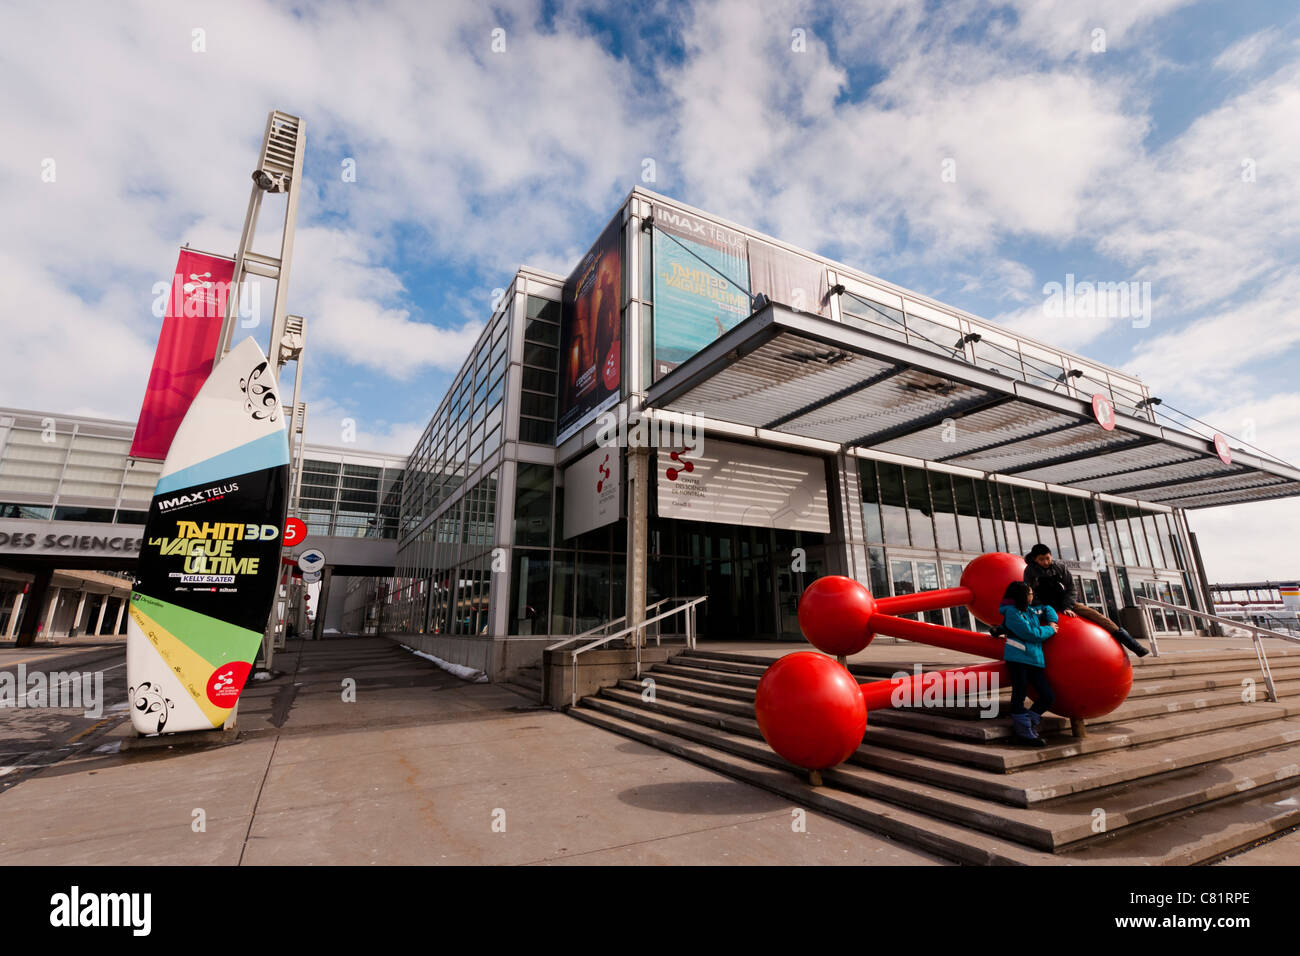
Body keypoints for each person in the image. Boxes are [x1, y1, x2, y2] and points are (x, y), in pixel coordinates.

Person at [1023, 544, 1149, 657]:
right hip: (1042, 605)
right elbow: (1030, 593)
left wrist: (1067, 606)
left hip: (1063, 601)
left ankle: (1135, 646)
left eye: (1047, 558)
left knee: (1099, 617)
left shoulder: (1059, 567)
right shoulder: (1029, 571)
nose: (1045, 562)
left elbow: (1071, 588)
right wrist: (1045, 609)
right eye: (1041, 559)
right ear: (1035, 559)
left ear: (1051, 556)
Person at [999, 581, 1058, 746]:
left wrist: (1052, 621)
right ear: (1021, 596)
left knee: (1047, 696)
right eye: (1029, 593)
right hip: (1018, 659)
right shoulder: (1012, 613)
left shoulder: (1031, 610)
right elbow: (1031, 634)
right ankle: (1024, 733)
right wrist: (1050, 630)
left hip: (1034, 659)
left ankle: (1029, 723)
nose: (1032, 596)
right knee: (1019, 694)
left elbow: (1047, 608)